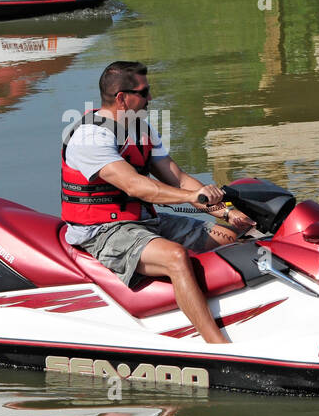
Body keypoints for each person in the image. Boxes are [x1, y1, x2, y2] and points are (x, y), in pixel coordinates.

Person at [62, 61, 255, 344]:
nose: (151, 98)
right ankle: (217, 345)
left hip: (141, 221)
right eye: (144, 92)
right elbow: (135, 185)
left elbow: (177, 177)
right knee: (175, 257)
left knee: (232, 234)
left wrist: (229, 214)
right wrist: (192, 197)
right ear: (121, 97)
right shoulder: (91, 136)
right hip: (101, 232)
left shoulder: (141, 129)